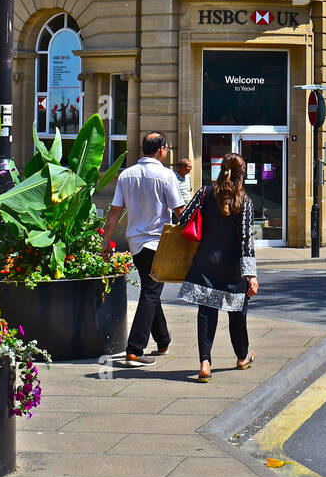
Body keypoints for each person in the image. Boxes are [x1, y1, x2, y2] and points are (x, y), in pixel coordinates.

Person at [103, 131, 185, 366]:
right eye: (167, 148)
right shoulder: (166, 176)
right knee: (151, 292)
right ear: (160, 150)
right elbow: (179, 210)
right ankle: (134, 349)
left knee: (152, 290)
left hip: (136, 244)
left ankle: (163, 340)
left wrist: (106, 241)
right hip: (159, 243)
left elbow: (115, 212)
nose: (167, 152)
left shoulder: (126, 175)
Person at [177, 153, 258, 383]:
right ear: (242, 176)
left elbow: (184, 220)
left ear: (220, 170)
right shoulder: (245, 202)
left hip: (206, 262)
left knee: (206, 312)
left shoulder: (204, 193)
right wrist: (251, 275)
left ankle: (204, 364)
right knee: (237, 314)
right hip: (233, 268)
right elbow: (246, 241)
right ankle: (242, 357)